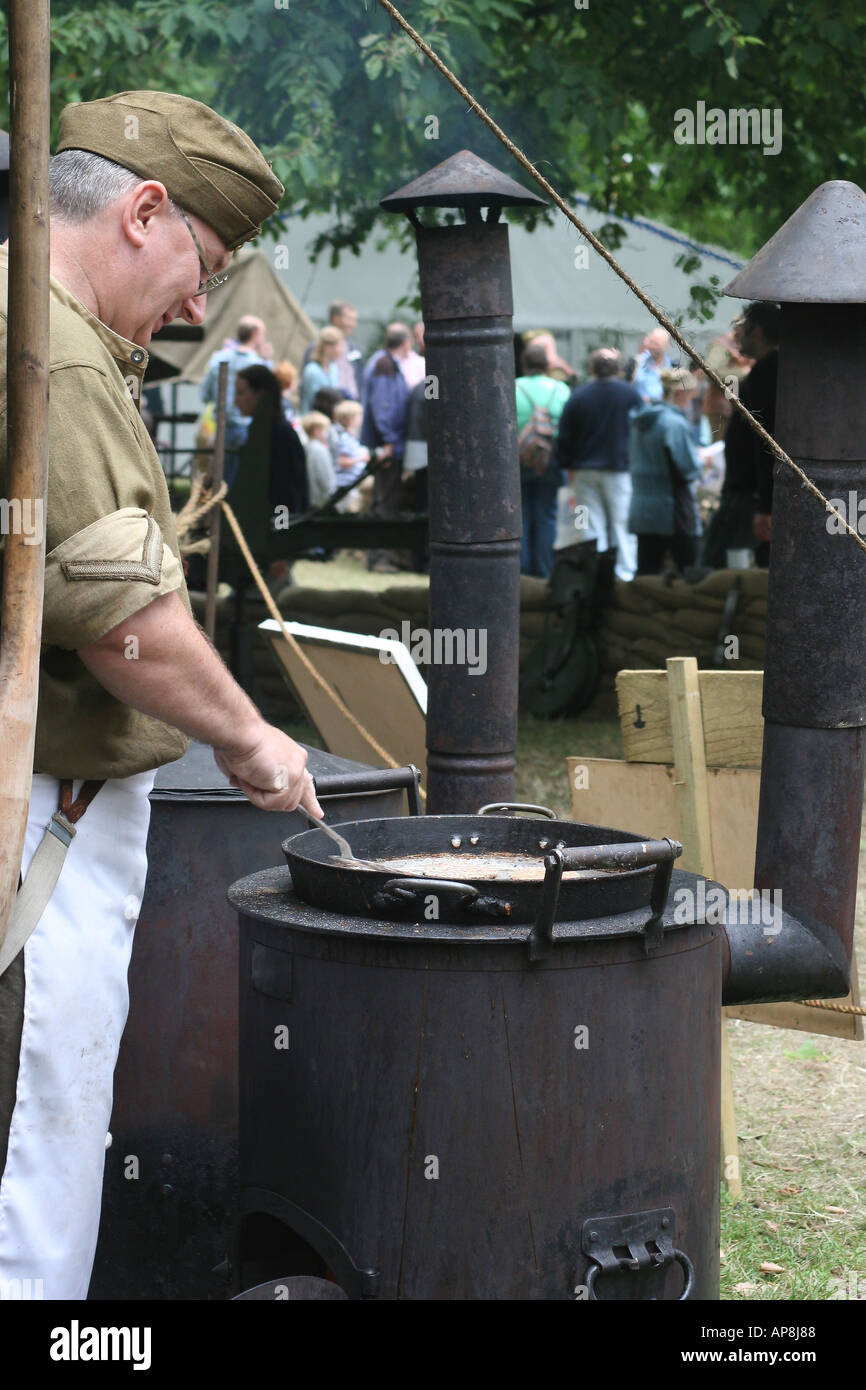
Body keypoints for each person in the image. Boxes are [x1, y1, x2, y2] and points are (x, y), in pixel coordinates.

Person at [0, 89, 322, 1303]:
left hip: (47, 800)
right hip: (36, 815)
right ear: (143, 210)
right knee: (33, 1151)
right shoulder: (57, 355)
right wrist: (248, 737)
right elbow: (123, 627)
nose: (202, 303)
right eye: (208, 264)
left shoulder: (43, 327)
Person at [700, 301, 780, 568]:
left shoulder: (767, 372)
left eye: (742, 329)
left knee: (726, 567)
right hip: (750, 492)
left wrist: (764, 507)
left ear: (757, 331)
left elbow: (766, 441)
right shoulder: (770, 369)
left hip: (749, 496)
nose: (736, 336)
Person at [555, 347, 643, 581]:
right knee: (623, 523)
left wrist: (567, 464)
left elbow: (564, 436)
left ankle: (593, 576)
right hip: (620, 471)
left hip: (584, 472)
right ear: (618, 368)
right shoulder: (630, 395)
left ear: (592, 368)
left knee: (588, 525)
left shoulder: (579, 396)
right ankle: (625, 575)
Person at [627, 367, 703, 574]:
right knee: (690, 574)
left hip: (644, 510)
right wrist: (702, 461)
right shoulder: (674, 424)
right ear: (681, 394)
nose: (690, 402)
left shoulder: (639, 421)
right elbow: (689, 469)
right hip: (673, 511)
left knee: (646, 576)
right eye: (690, 396)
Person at [515, 341, 571, 579]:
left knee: (521, 516)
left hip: (518, 458)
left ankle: (522, 572)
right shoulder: (561, 389)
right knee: (548, 515)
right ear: (547, 365)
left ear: (523, 363)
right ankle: (545, 570)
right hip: (552, 458)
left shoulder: (512, 387)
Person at [361, 326, 412, 573]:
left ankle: (378, 555)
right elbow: (383, 405)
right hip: (388, 446)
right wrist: (389, 441)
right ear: (405, 343)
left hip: (387, 443)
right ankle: (379, 558)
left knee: (383, 500)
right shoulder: (385, 366)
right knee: (384, 501)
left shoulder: (385, 363)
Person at [234, 364, 309, 516]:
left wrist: (281, 529)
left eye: (241, 393)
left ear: (259, 395)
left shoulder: (280, 435)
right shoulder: (260, 431)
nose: (236, 401)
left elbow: (285, 492)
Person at [201, 314, 271, 468]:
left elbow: (205, 396)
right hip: (249, 429)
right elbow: (269, 397)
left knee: (221, 475)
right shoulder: (260, 365)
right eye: (262, 335)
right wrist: (268, 362)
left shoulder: (217, 359)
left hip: (221, 428)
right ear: (254, 334)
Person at [302, 299, 362, 399]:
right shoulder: (315, 349)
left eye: (354, 320)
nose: (353, 324)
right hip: (327, 405)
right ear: (335, 319)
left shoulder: (353, 348)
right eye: (349, 319)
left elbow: (359, 378)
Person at [330, 399, 371, 507]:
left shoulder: (351, 437)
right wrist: (361, 459)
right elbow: (341, 461)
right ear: (351, 420)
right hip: (348, 484)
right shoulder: (344, 439)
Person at [300, 325, 344, 414]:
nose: (342, 350)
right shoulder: (312, 370)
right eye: (339, 346)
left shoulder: (333, 368)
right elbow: (315, 400)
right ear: (328, 347)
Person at [298, 411, 337, 508]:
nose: (327, 434)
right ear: (316, 431)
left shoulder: (307, 447)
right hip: (320, 502)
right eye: (325, 430)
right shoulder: (320, 450)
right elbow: (326, 479)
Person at [633, 328, 673, 402]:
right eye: (652, 343)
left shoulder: (672, 367)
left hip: (661, 410)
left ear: (666, 346)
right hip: (639, 410)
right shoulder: (638, 362)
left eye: (657, 344)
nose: (653, 347)